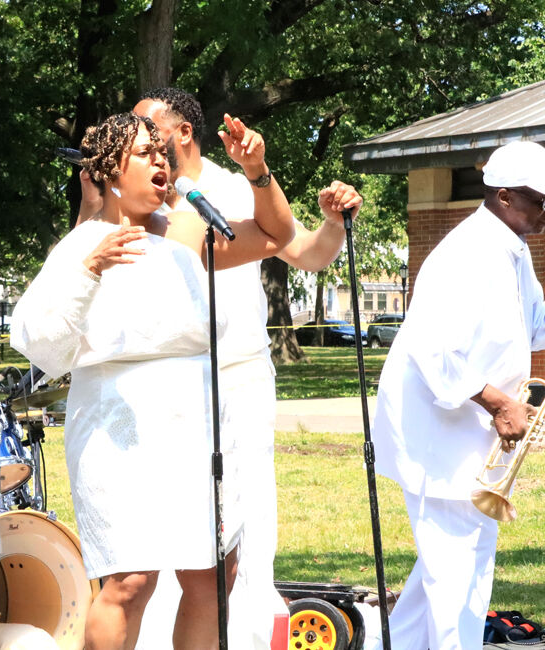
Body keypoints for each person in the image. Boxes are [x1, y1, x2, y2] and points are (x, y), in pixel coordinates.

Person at [11, 111, 296, 649]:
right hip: (120, 431)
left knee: (214, 573)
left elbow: (277, 235)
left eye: (162, 152)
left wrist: (257, 172)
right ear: (112, 171)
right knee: (132, 579)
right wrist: (90, 270)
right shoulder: (84, 244)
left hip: (199, 429)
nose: (161, 161)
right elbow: (38, 342)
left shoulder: (186, 235)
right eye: (145, 153)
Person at [88, 87, 358, 650]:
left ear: (182, 131)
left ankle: (248, 637)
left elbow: (303, 252)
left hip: (236, 377)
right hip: (160, 390)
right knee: (154, 550)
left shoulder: (229, 188)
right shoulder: (134, 200)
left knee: (238, 542)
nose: (137, 137)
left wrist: (331, 223)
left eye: (146, 127)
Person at [369, 140, 545, 650]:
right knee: (457, 578)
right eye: (540, 200)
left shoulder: (511, 247)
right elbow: (432, 348)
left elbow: (532, 325)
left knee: (452, 571)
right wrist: (501, 403)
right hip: (438, 435)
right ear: (504, 196)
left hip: (468, 433)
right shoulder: (466, 252)